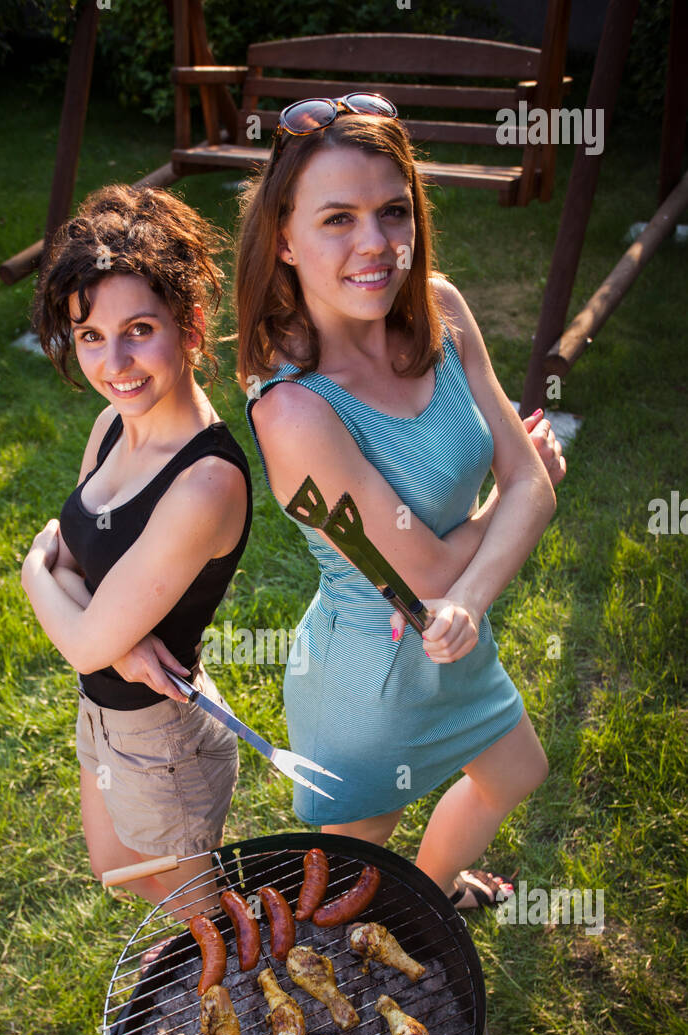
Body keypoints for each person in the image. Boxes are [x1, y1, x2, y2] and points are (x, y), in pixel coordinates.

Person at [236, 94, 566, 911]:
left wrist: (471, 598)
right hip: (368, 685)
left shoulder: (444, 312)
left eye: (393, 211)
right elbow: (450, 556)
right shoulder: (297, 412)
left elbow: (530, 497)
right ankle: (368, 947)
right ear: (283, 237)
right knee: (330, 899)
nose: (377, 245)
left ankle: (429, 896)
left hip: (456, 644)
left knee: (517, 773)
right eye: (337, 219)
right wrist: (513, 499)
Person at [21, 185, 252, 918]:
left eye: (139, 329)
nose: (114, 361)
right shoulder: (115, 424)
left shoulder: (204, 483)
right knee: (113, 867)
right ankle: (210, 932)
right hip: (106, 710)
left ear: (190, 325)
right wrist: (113, 649)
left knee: (201, 914)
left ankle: (236, 962)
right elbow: (84, 588)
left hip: (160, 739)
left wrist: (32, 570)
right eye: (90, 336)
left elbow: (63, 583)